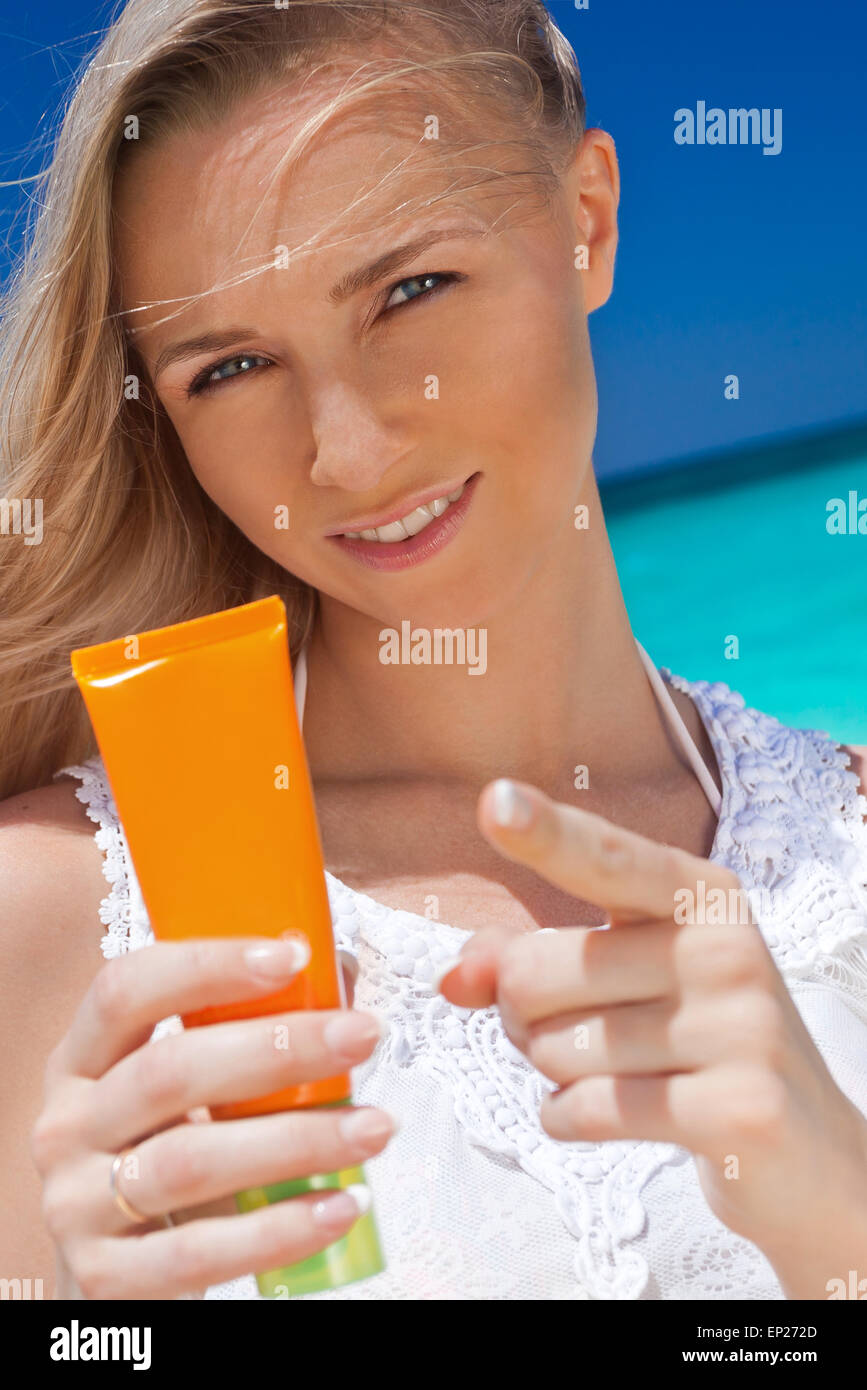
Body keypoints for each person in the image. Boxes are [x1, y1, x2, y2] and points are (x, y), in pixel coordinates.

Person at [1, 0, 865, 1302]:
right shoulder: (51, 922)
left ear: (587, 219)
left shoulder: (846, 850)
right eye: (229, 366)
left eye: (410, 289)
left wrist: (843, 1222)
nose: (344, 453)